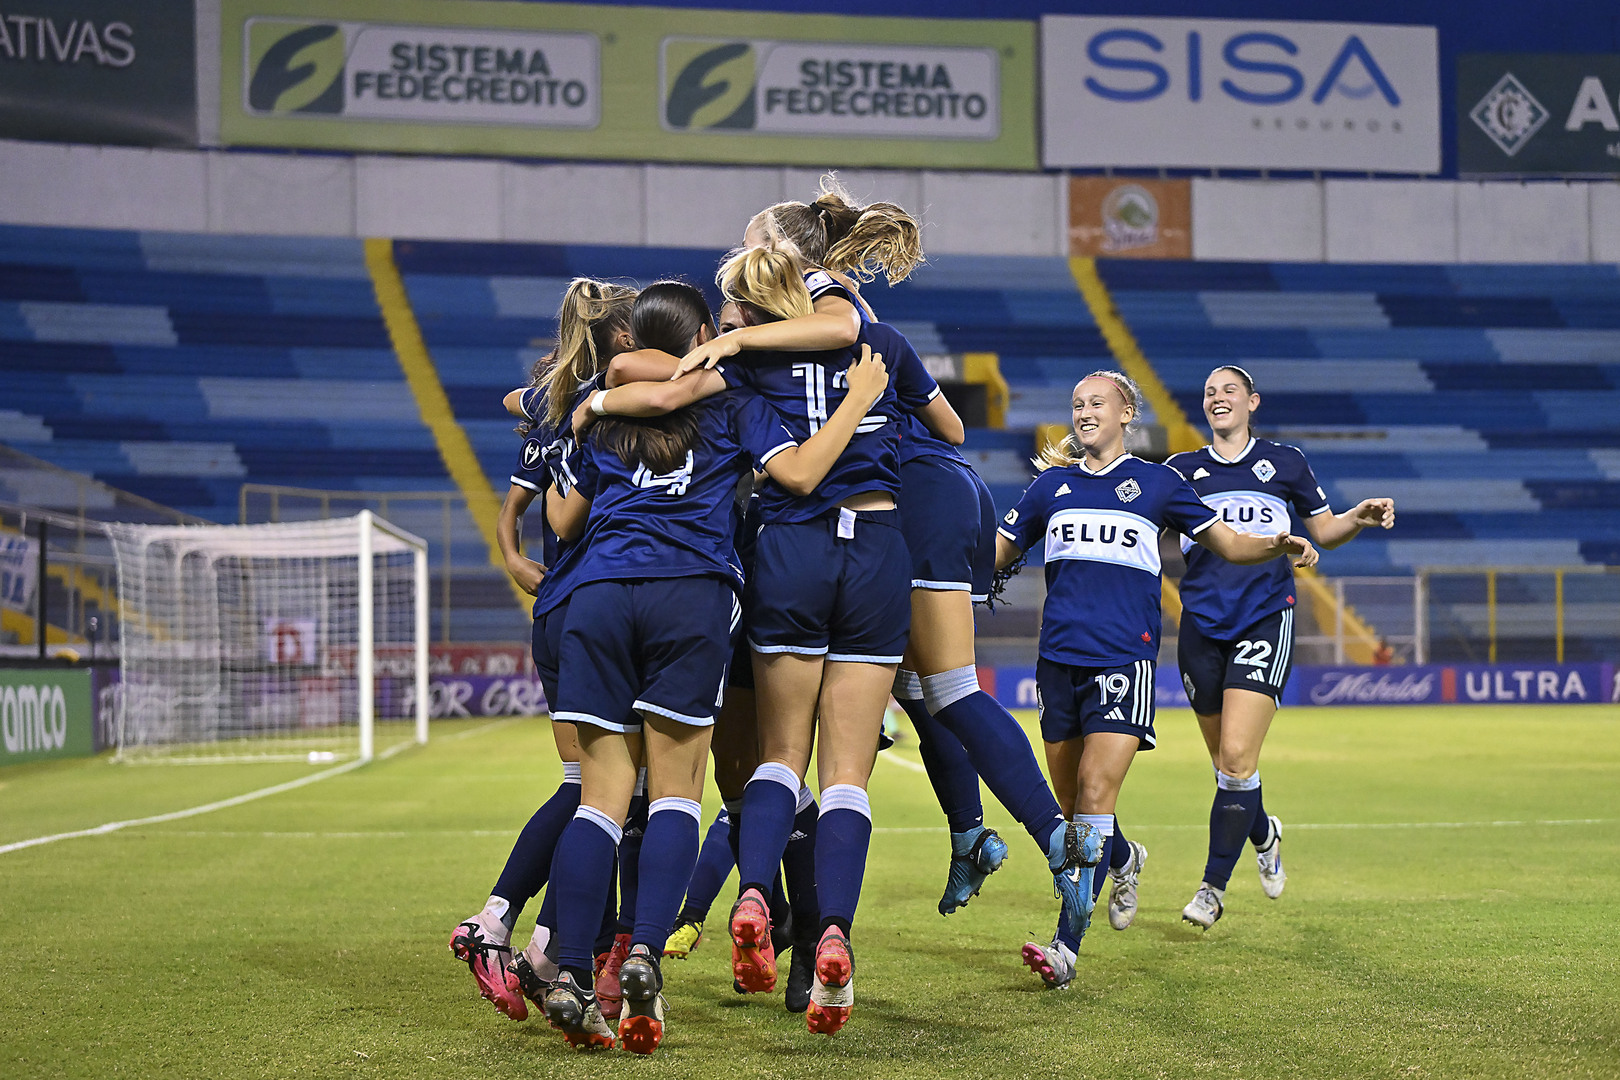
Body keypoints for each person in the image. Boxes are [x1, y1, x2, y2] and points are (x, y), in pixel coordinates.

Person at [536, 281, 891, 1052]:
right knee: (675, 795)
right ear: (704, 334)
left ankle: (572, 974)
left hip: (599, 594)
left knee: (599, 802)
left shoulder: (605, 409)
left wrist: (589, 412)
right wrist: (858, 402)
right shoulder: (733, 400)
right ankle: (643, 956)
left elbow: (562, 518)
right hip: (690, 596)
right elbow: (799, 473)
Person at [994, 371, 1319, 990]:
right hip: (1057, 664)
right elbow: (996, 555)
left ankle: (1065, 949)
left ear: (1126, 413)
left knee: (1094, 797)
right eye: (1077, 403)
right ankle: (1126, 859)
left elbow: (1230, 543)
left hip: (1124, 662)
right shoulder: (1049, 488)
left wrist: (1278, 544)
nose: (1084, 411)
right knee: (1072, 809)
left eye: (1097, 402)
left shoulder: (1159, 484)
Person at [449, 277, 635, 1022]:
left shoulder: (552, 405)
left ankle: (522, 933)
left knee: (586, 786)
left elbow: (512, 497)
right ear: (621, 337)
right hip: (598, 603)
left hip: (555, 608)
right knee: (608, 793)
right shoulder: (608, 404)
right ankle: (524, 939)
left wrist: (511, 559)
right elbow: (565, 516)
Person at [1166, 365, 1394, 930]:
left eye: (1230, 391)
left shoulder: (1285, 462)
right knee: (1228, 765)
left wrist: (1357, 518)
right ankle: (1264, 832)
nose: (1218, 398)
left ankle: (1212, 889)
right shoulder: (1180, 471)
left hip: (1264, 617)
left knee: (1237, 757)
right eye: (1210, 392)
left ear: (1253, 402)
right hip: (1200, 625)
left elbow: (1326, 532)